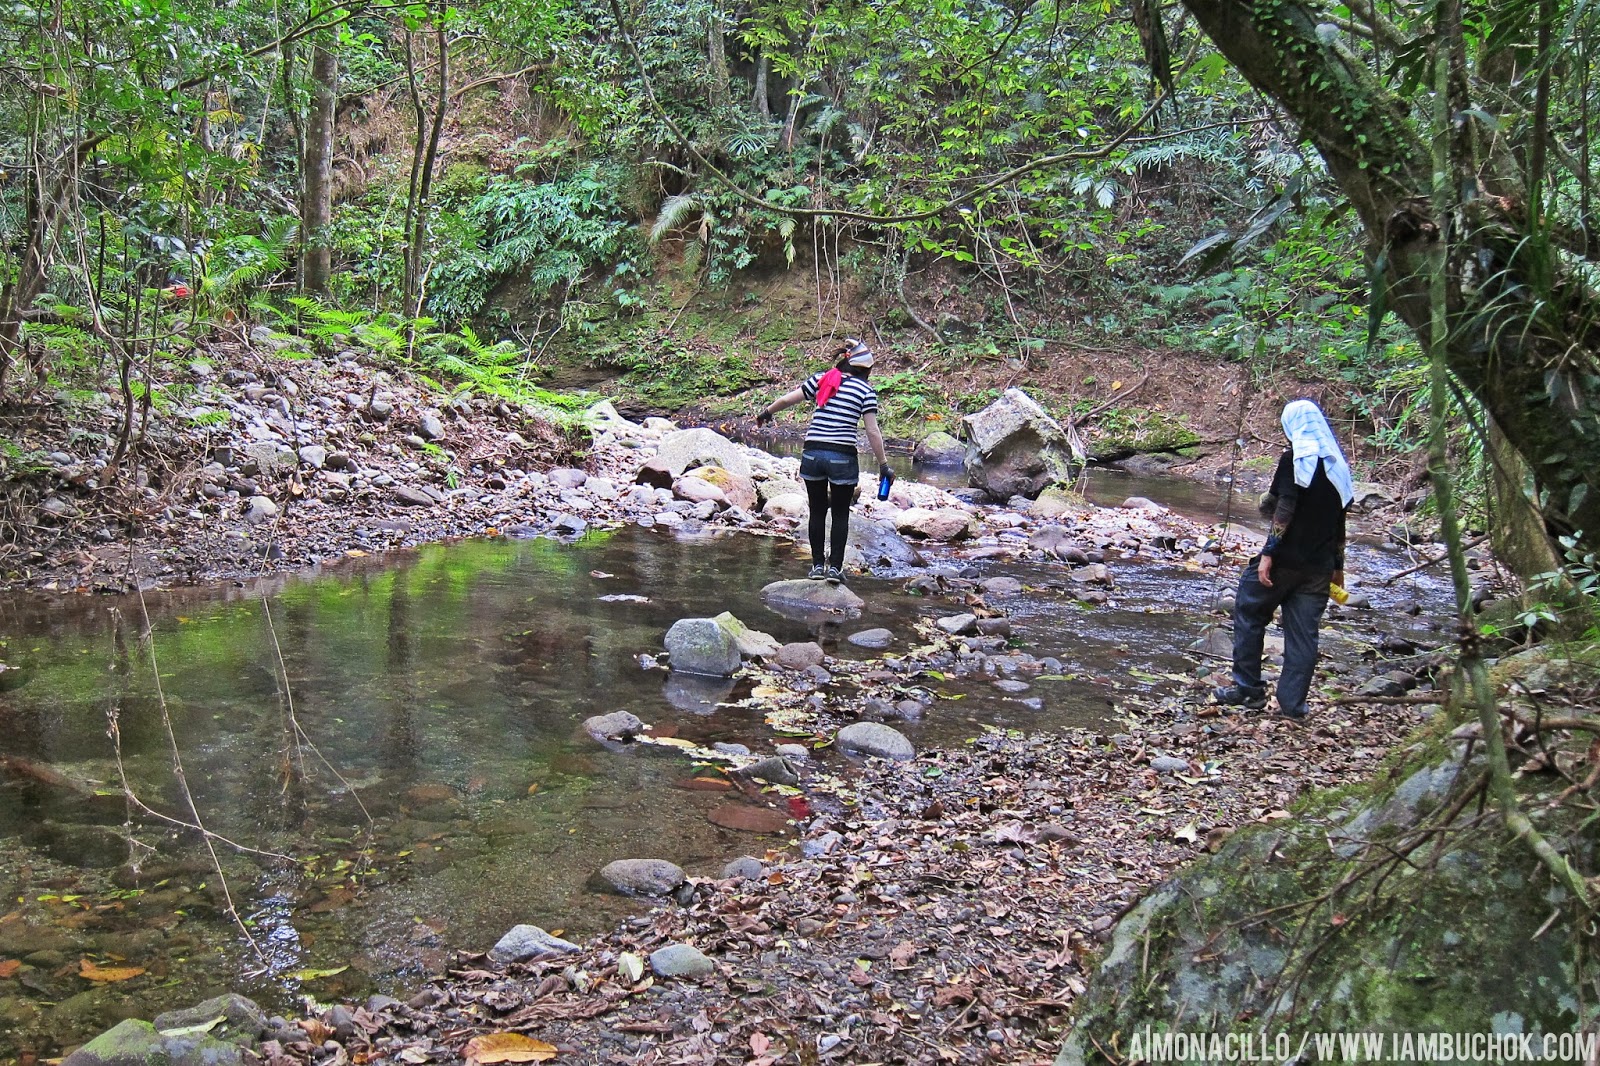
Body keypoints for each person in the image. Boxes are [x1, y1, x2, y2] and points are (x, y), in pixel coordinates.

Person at [1214, 399, 1354, 721]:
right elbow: (1339, 522)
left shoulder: (1295, 460)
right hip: (1318, 569)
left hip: (1283, 562)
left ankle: (1248, 691)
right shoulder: (1337, 468)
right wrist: (1338, 568)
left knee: (1249, 612)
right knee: (1304, 637)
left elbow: (1285, 508)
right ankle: (1293, 706)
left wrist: (1267, 555)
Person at [756, 337, 891, 584]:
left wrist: (766, 413)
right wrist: (883, 465)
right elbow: (872, 432)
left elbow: (787, 399)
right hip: (842, 456)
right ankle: (835, 569)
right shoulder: (865, 391)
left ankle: (817, 566)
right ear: (865, 369)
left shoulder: (822, 379)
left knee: (817, 512)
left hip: (812, 454)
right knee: (840, 514)